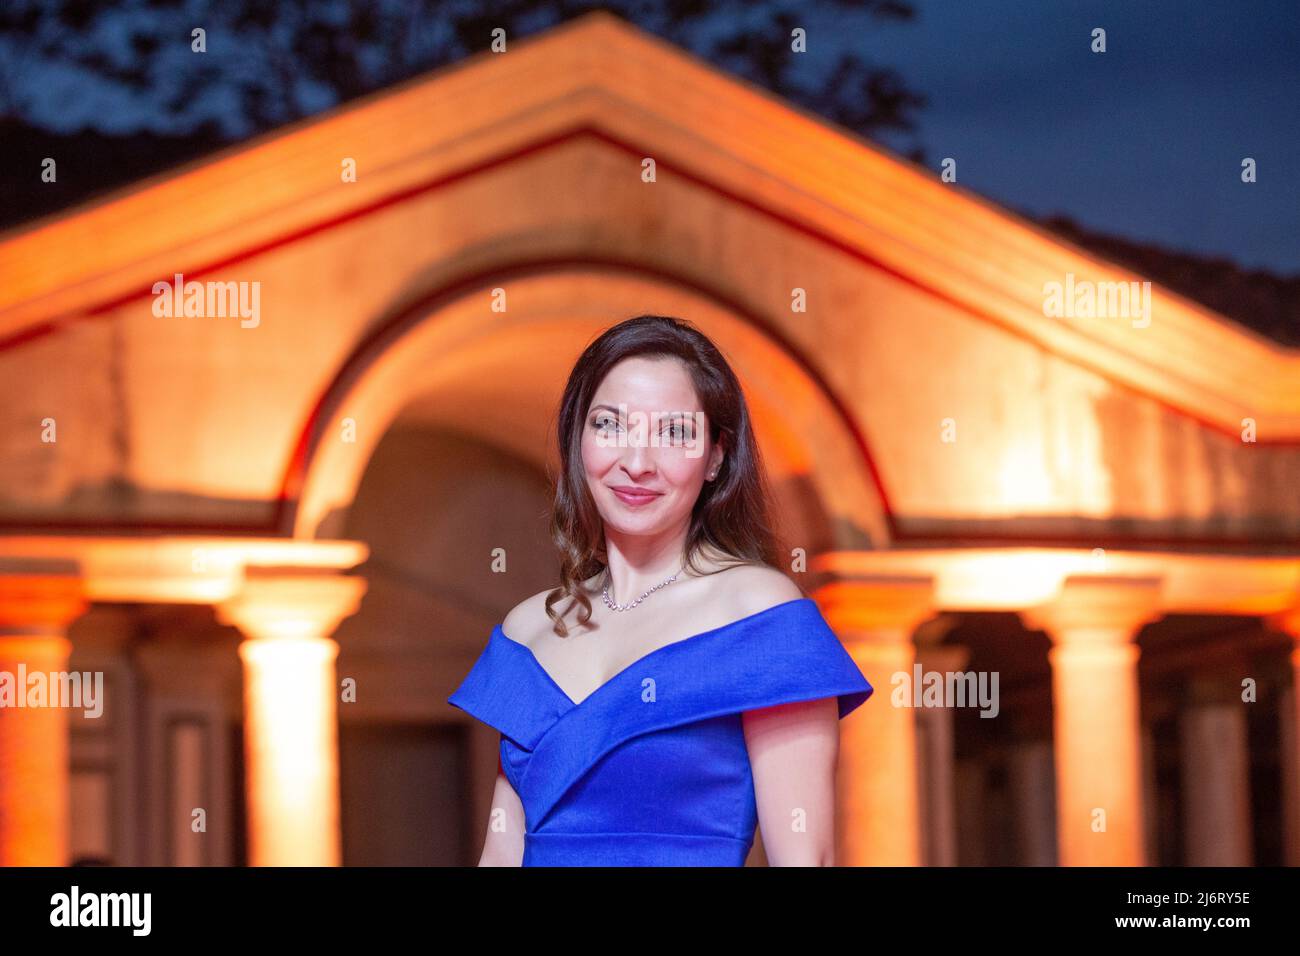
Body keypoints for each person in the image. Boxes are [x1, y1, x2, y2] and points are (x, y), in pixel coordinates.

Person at [447, 314, 873, 866]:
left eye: (674, 432)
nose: (638, 462)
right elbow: (501, 852)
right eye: (610, 425)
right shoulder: (528, 630)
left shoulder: (759, 615)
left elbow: (805, 859)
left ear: (717, 456)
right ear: (578, 439)